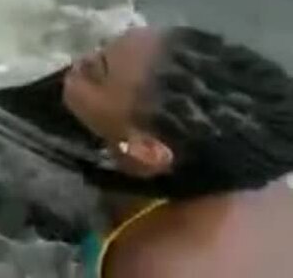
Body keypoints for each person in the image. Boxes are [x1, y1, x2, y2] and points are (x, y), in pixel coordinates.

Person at [57, 25, 293, 277]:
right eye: (103, 45)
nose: (79, 60)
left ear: (148, 150)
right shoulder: (252, 175)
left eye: (94, 72)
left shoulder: (150, 262)